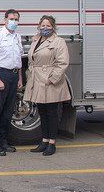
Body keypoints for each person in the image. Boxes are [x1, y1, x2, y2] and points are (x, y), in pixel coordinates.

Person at [24, 15, 70, 156]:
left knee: (51, 113)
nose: (45, 28)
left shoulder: (59, 42)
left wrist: (52, 79)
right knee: (42, 112)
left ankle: (52, 143)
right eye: (43, 25)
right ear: (39, 26)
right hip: (37, 80)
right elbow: (31, 60)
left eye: (48, 26)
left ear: (53, 27)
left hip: (50, 82)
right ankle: (44, 141)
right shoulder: (36, 40)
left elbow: (62, 63)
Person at [0, 8, 24, 156]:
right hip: (1, 74)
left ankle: (3, 142)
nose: (14, 22)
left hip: (13, 76)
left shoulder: (17, 37)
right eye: (11, 19)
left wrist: (19, 78)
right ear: (5, 20)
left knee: (8, 112)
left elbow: (19, 59)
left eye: (16, 19)